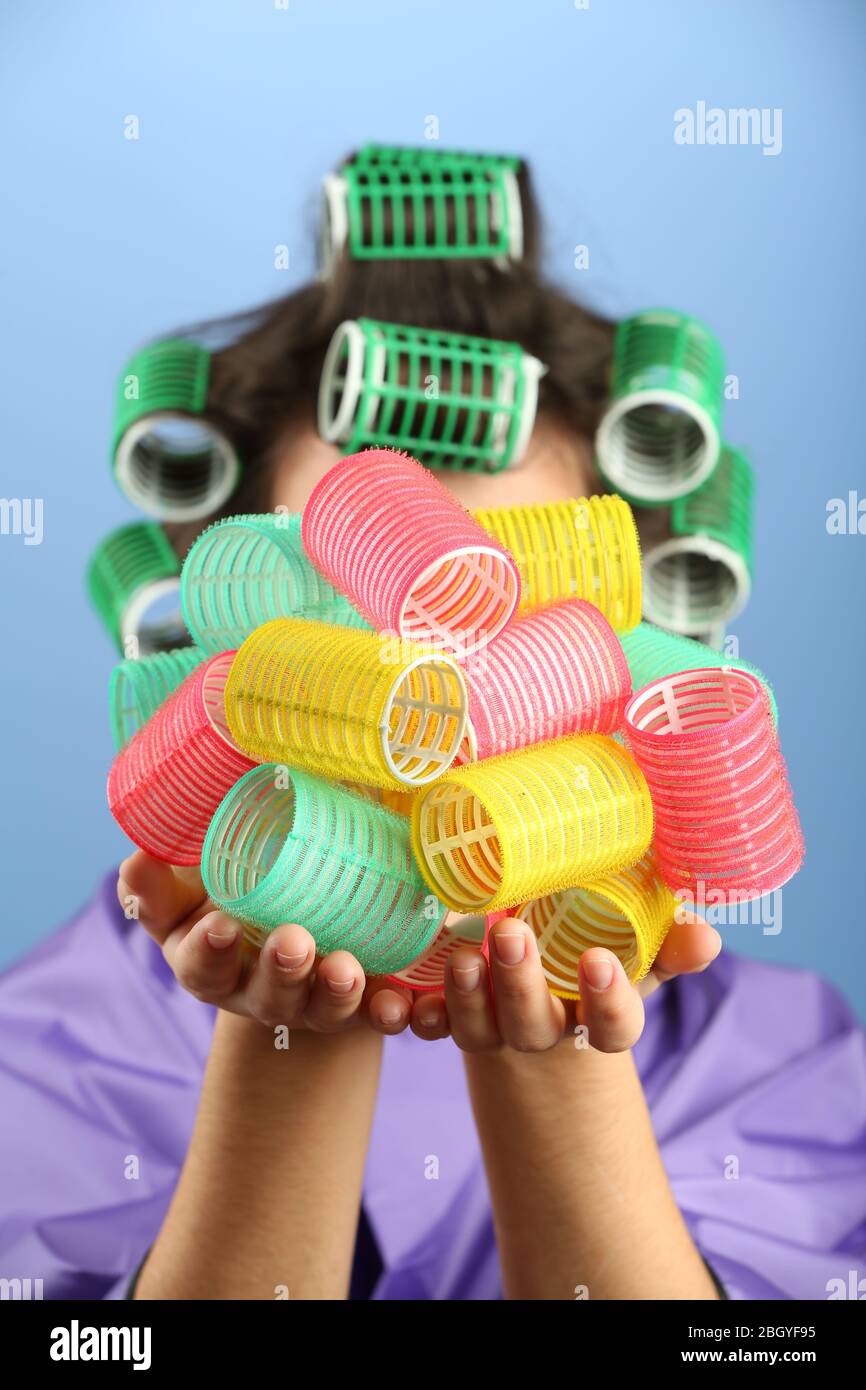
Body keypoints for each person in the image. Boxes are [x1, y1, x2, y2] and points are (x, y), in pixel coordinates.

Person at [1, 157, 864, 1303]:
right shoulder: (59, 1037)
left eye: (509, 620)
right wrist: (289, 1037)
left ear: (625, 658)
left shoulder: (768, 1049)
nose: (444, 705)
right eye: (350, 606)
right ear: (234, 644)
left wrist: (558, 1055)